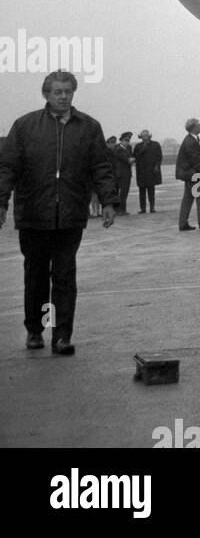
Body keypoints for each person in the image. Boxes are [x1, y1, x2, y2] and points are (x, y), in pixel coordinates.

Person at [0, 71, 118, 354]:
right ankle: (36, 330)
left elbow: (101, 167)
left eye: (68, 91)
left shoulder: (89, 128)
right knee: (36, 276)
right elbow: (8, 168)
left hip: (69, 216)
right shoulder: (25, 126)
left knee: (64, 277)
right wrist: (1, 202)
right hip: (34, 215)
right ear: (46, 95)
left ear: (73, 93)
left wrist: (109, 202)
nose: (63, 96)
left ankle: (62, 335)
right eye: (57, 92)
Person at [175, 118, 200, 230]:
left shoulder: (189, 140)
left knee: (187, 199)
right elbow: (196, 161)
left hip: (189, 174)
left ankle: (183, 223)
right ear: (194, 127)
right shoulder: (191, 142)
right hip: (194, 175)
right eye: (198, 124)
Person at [133, 129, 162, 213]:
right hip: (141, 172)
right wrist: (142, 149)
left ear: (149, 136)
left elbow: (159, 157)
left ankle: (152, 207)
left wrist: (157, 166)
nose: (145, 138)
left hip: (151, 172)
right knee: (141, 192)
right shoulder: (138, 146)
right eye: (143, 136)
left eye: (146, 136)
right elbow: (135, 157)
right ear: (141, 137)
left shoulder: (155, 144)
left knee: (151, 191)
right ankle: (143, 209)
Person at [113, 131, 134, 214]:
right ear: (121, 140)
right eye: (125, 140)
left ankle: (122, 209)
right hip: (121, 174)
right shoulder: (119, 149)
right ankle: (120, 209)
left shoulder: (128, 148)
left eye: (128, 140)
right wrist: (132, 159)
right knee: (123, 192)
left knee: (124, 192)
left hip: (126, 174)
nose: (127, 142)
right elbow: (128, 160)